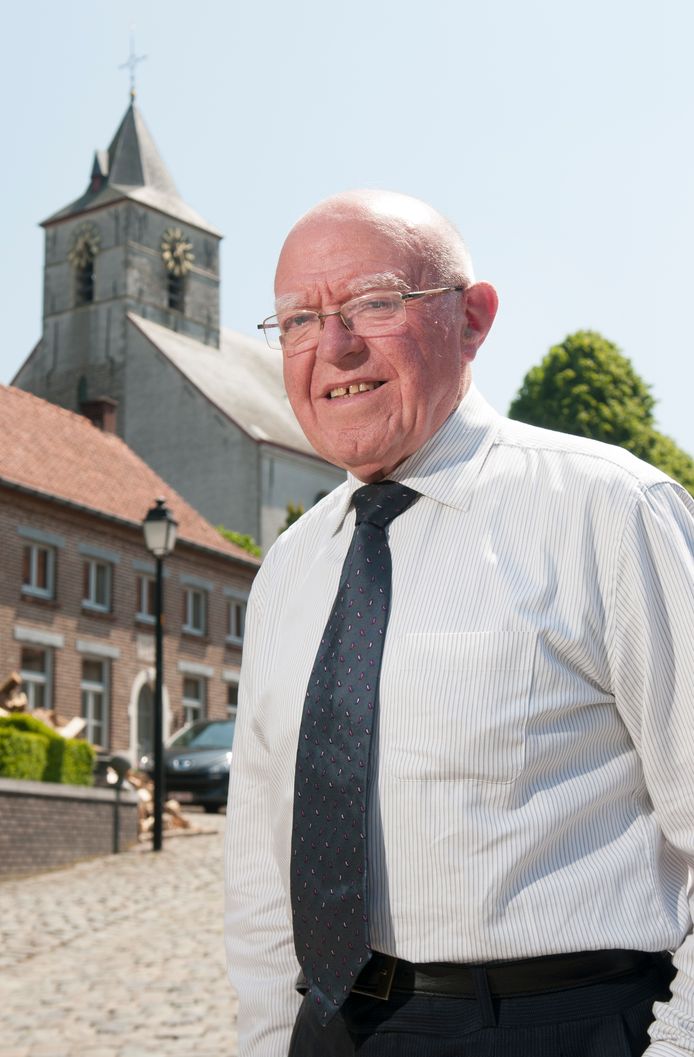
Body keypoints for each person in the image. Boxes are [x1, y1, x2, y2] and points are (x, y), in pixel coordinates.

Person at [224, 189, 694, 1057]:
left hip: (556, 1026)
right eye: (298, 320)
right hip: (330, 1029)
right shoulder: (289, 568)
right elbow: (260, 857)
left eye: (375, 302)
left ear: (472, 320)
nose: (335, 347)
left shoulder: (611, 511)